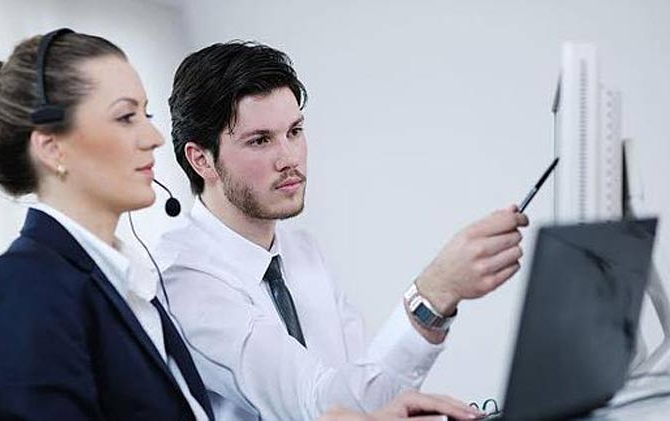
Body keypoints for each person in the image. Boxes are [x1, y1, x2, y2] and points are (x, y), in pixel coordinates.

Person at [157, 41, 528, 420]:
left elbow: (369, 396)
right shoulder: (185, 282)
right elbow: (323, 410)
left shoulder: (301, 251)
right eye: (260, 140)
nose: (289, 158)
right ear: (201, 160)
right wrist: (434, 294)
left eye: (295, 131)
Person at [0, 29, 213, 420]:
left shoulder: (123, 282)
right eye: (126, 117)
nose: (154, 137)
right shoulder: (20, 290)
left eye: (147, 114)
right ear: (52, 148)